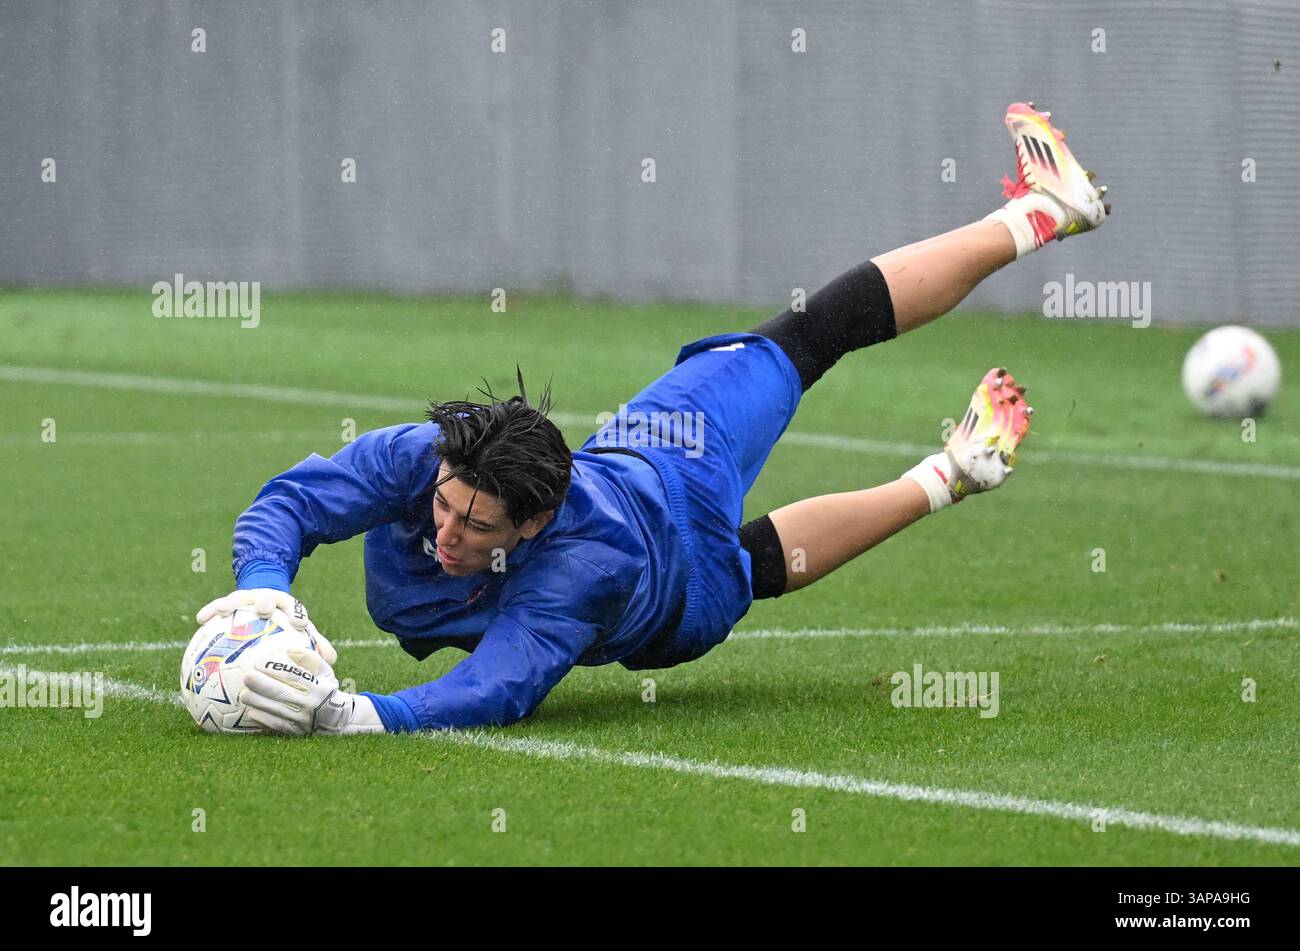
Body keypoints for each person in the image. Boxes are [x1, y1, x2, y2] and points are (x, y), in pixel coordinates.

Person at [198, 102, 1108, 735]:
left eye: (477, 526)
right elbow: (286, 505)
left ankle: (1037, 219)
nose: (447, 530)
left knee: (795, 368)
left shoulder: (579, 568)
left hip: (669, 545)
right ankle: (955, 470)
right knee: (766, 476)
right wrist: (261, 589)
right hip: (656, 494)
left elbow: (495, 689)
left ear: (536, 522)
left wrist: (349, 715)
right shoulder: (425, 458)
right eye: (446, 506)